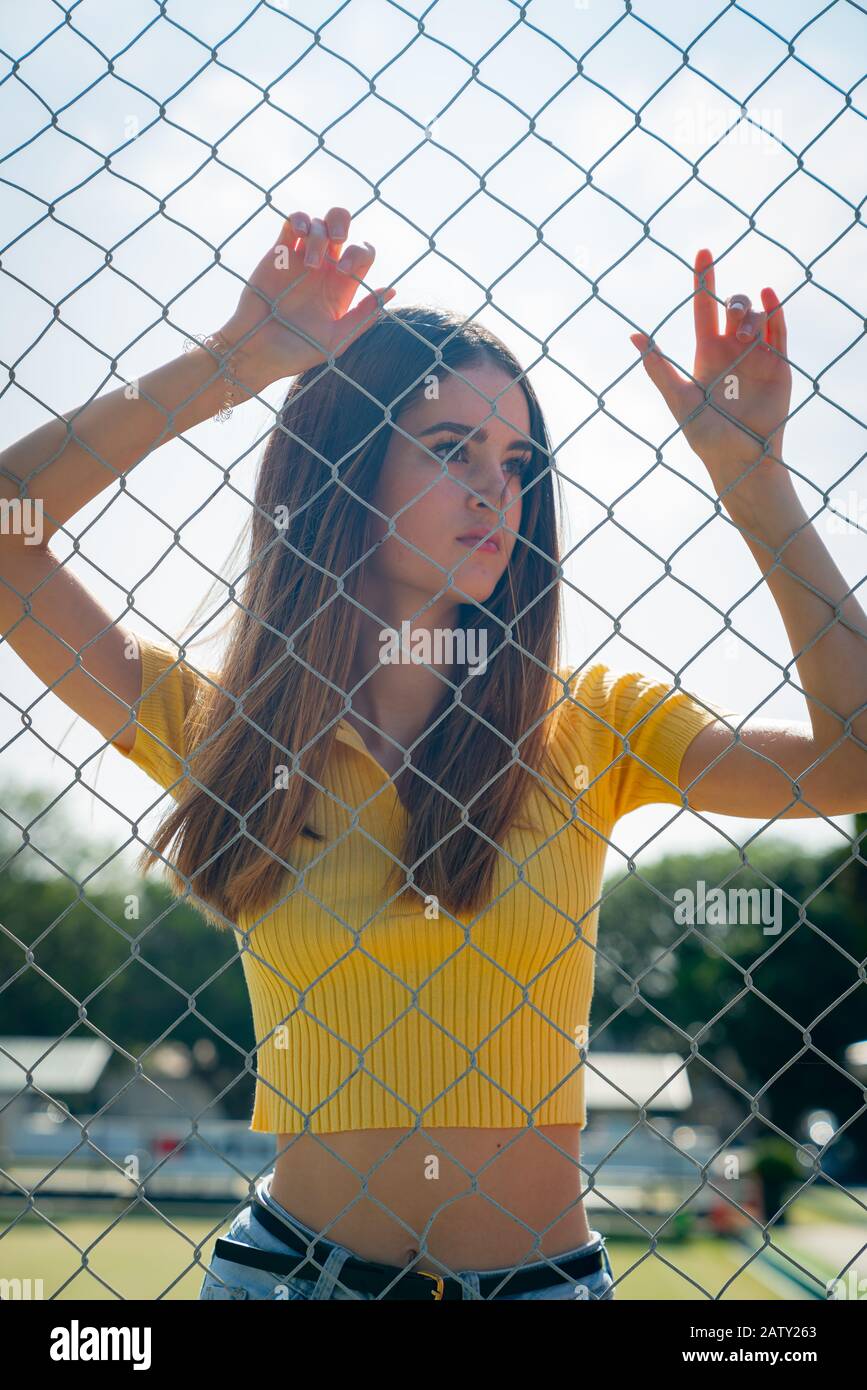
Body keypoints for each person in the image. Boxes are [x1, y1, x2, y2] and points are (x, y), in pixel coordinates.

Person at [2, 207, 864, 1300]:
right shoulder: (225, 724)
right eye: (449, 447)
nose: (496, 489)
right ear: (344, 468)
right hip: (286, 1282)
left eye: (516, 459)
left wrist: (755, 483)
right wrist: (235, 361)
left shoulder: (592, 723)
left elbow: (853, 760)